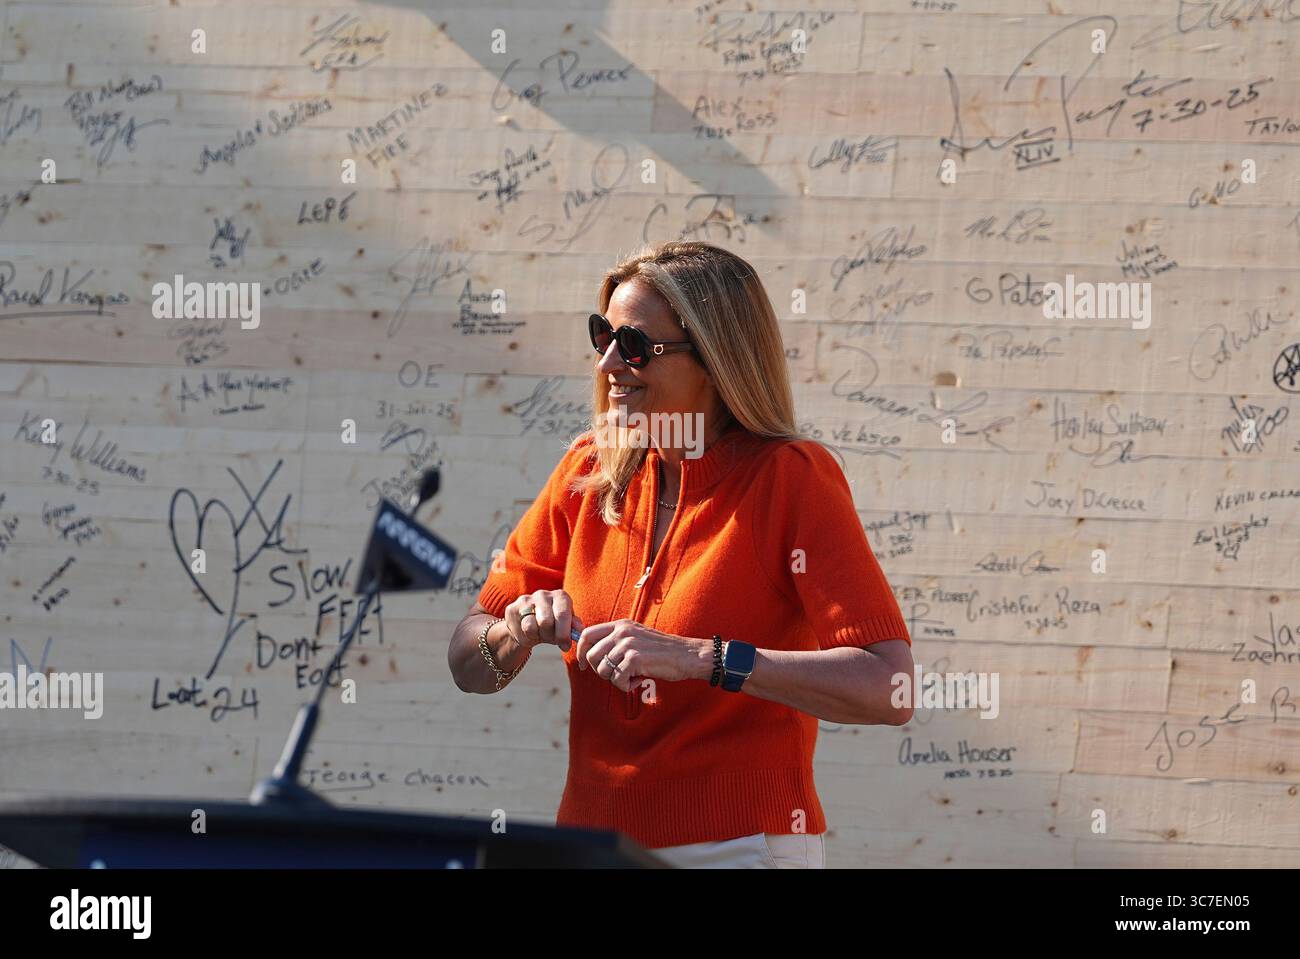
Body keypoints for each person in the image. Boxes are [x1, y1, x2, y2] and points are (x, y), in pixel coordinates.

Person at [448, 240, 913, 868]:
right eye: (601, 336)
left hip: (740, 849)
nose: (609, 361)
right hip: (590, 846)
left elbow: (890, 687)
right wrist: (511, 634)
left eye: (636, 345)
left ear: (716, 361)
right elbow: (467, 659)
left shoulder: (790, 478)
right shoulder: (587, 470)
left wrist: (703, 659)